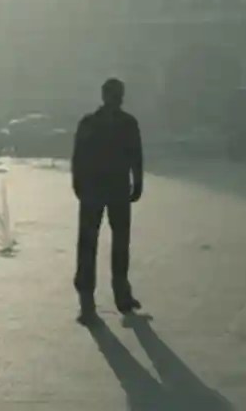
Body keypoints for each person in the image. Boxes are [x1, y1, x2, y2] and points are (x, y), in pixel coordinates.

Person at [72, 78, 144, 321]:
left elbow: (78, 158)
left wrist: (79, 184)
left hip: (97, 189)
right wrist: (138, 182)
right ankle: (119, 295)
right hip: (115, 189)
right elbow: (136, 157)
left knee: (89, 243)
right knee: (118, 242)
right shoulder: (126, 123)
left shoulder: (90, 123)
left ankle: (89, 299)